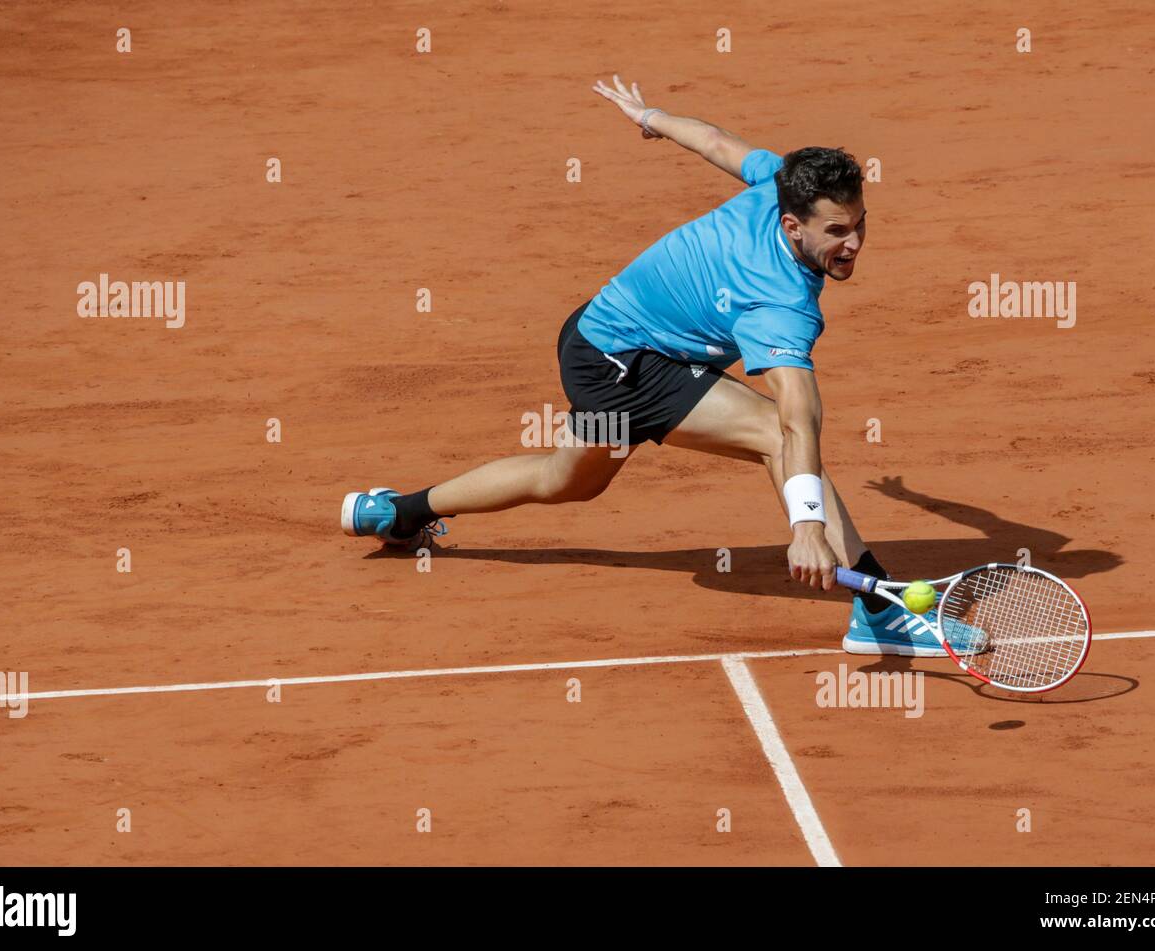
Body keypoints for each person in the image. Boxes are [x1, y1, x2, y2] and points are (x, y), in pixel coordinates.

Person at [343, 75, 949, 656]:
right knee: (771, 432)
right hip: (628, 365)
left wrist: (652, 119)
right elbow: (797, 421)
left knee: (565, 481)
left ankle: (398, 512)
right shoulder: (781, 304)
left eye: (861, 224)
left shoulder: (778, 183)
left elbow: (713, 142)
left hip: (595, 338)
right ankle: (881, 611)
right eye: (838, 231)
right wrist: (807, 526)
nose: (855, 245)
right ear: (793, 225)